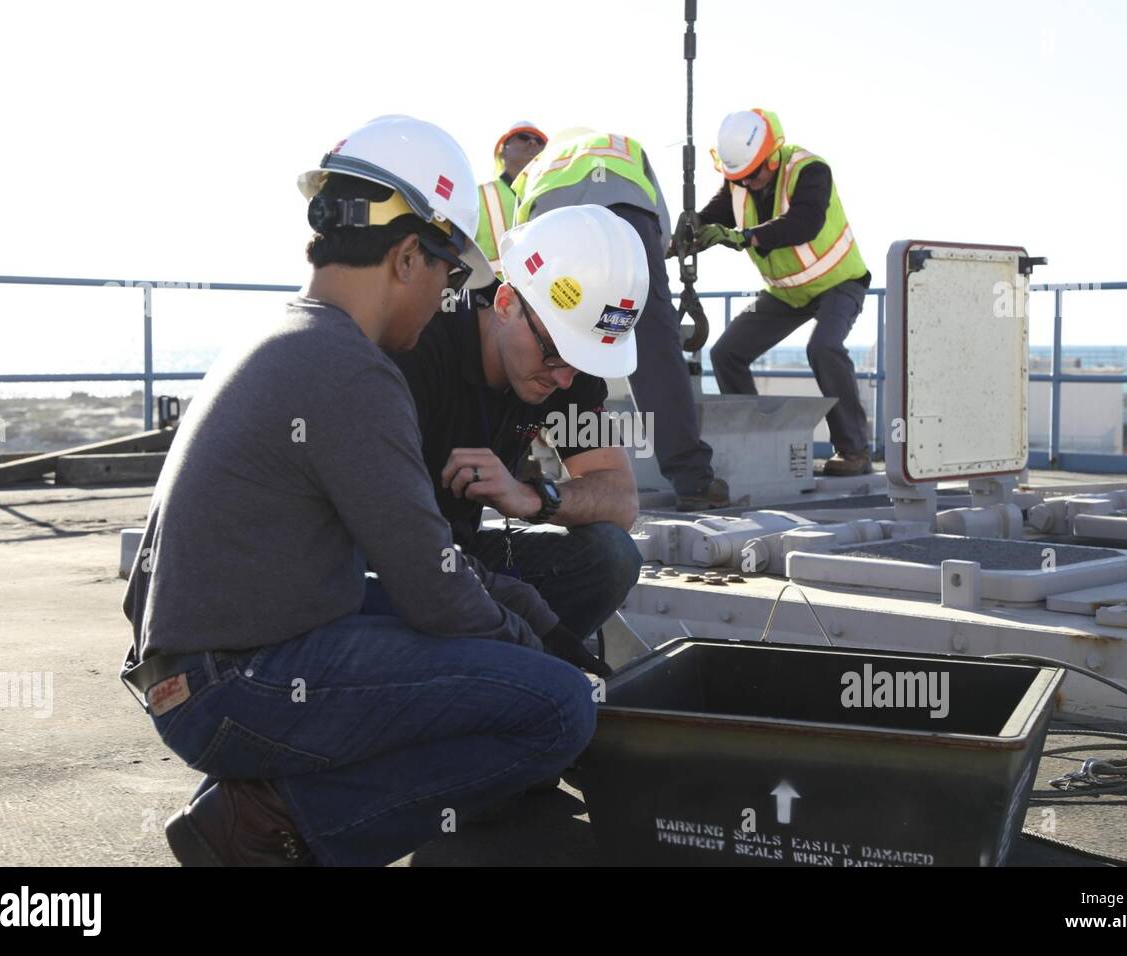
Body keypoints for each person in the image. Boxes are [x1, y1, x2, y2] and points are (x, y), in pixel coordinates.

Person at [120, 115, 601, 867]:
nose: (448, 293)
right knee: (559, 708)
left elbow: (425, 557)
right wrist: (537, 661)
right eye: (448, 273)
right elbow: (434, 591)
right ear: (410, 256)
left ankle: (290, 795)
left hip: (202, 670)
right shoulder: (349, 370)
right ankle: (269, 825)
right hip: (233, 689)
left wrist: (528, 614)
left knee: (509, 661)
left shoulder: (286, 336)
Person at [391, 204, 648, 643]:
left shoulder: (568, 366)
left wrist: (532, 498)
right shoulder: (423, 341)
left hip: (464, 550)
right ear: (506, 303)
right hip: (395, 558)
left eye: (579, 364)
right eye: (553, 354)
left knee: (612, 556)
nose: (564, 378)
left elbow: (621, 498)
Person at [512, 129, 730, 511]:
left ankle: (541, 465)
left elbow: (521, 238)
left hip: (553, 222)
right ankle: (693, 482)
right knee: (654, 346)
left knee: (556, 336)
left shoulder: (538, 167)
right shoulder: (624, 147)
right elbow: (659, 221)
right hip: (630, 223)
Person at [697, 108, 874, 477]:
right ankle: (756, 445)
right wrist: (679, 238)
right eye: (739, 179)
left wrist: (747, 236)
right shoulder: (741, 181)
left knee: (824, 347)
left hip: (839, 283)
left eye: (753, 175)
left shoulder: (809, 170)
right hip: (786, 292)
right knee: (726, 353)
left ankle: (854, 451)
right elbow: (714, 216)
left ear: (772, 156)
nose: (747, 184)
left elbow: (805, 222)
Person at [473, 120, 546, 277]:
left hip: (541, 296)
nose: (533, 142)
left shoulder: (551, 195)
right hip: (489, 296)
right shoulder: (477, 194)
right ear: (503, 150)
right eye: (523, 137)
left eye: (539, 141)